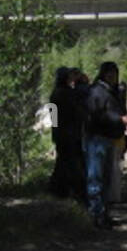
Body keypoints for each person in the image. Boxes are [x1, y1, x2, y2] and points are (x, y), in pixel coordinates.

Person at [83, 60, 127, 228]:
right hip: (96, 138)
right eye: (110, 73)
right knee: (95, 178)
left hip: (108, 138)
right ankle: (95, 215)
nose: (113, 77)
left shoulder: (110, 91)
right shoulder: (95, 92)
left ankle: (103, 213)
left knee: (106, 178)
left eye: (115, 73)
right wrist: (118, 118)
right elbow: (96, 115)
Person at [47, 67, 85, 203]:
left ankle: (58, 189)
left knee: (62, 161)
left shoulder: (54, 94)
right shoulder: (68, 94)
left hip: (60, 132)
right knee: (71, 162)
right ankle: (71, 190)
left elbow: (54, 117)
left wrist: (56, 131)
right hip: (70, 132)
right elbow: (77, 113)